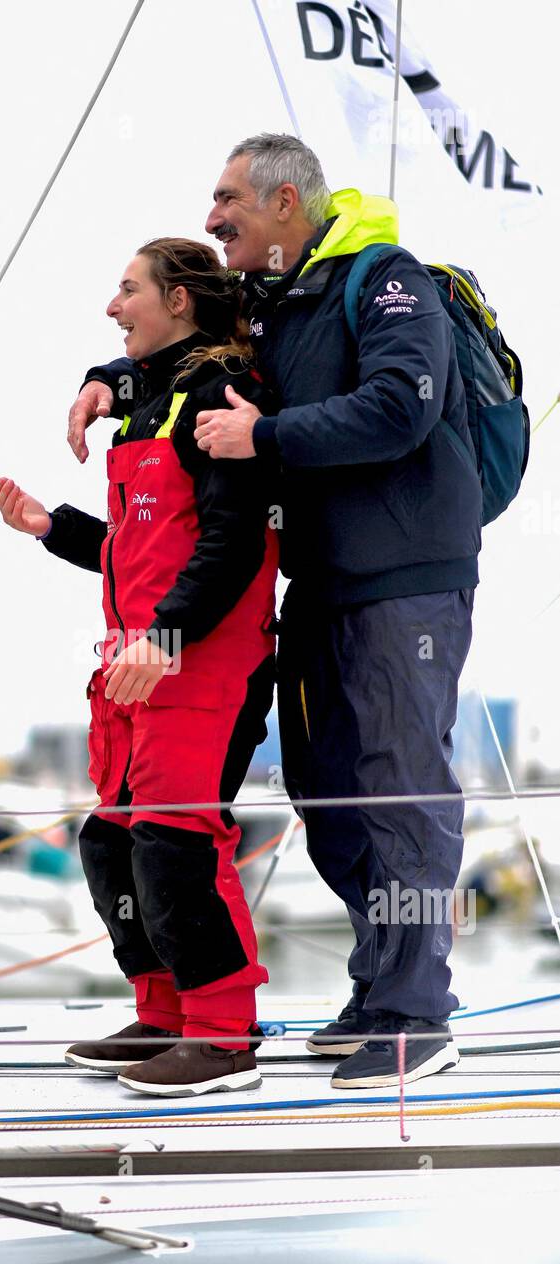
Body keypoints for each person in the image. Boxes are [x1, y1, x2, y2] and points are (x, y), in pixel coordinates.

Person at [67, 135, 482, 1090]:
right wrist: (110, 379)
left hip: (403, 577)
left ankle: (417, 1010)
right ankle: (377, 989)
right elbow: (199, 360)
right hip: (319, 582)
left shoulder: (384, 281)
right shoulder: (275, 300)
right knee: (326, 790)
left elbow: (401, 404)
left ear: (284, 201)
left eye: (227, 202)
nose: (213, 221)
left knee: (399, 791)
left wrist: (267, 433)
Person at [0, 237, 278, 1097]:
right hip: (135, 669)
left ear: (179, 301)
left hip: (202, 662)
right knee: (110, 842)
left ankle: (223, 1033)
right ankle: (163, 1009)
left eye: (127, 291)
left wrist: (166, 638)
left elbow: (234, 543)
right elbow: (140, 549)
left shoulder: (220, 399)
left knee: (175, 841)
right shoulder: (149, 402)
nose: (112, 308)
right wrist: (56, 530)